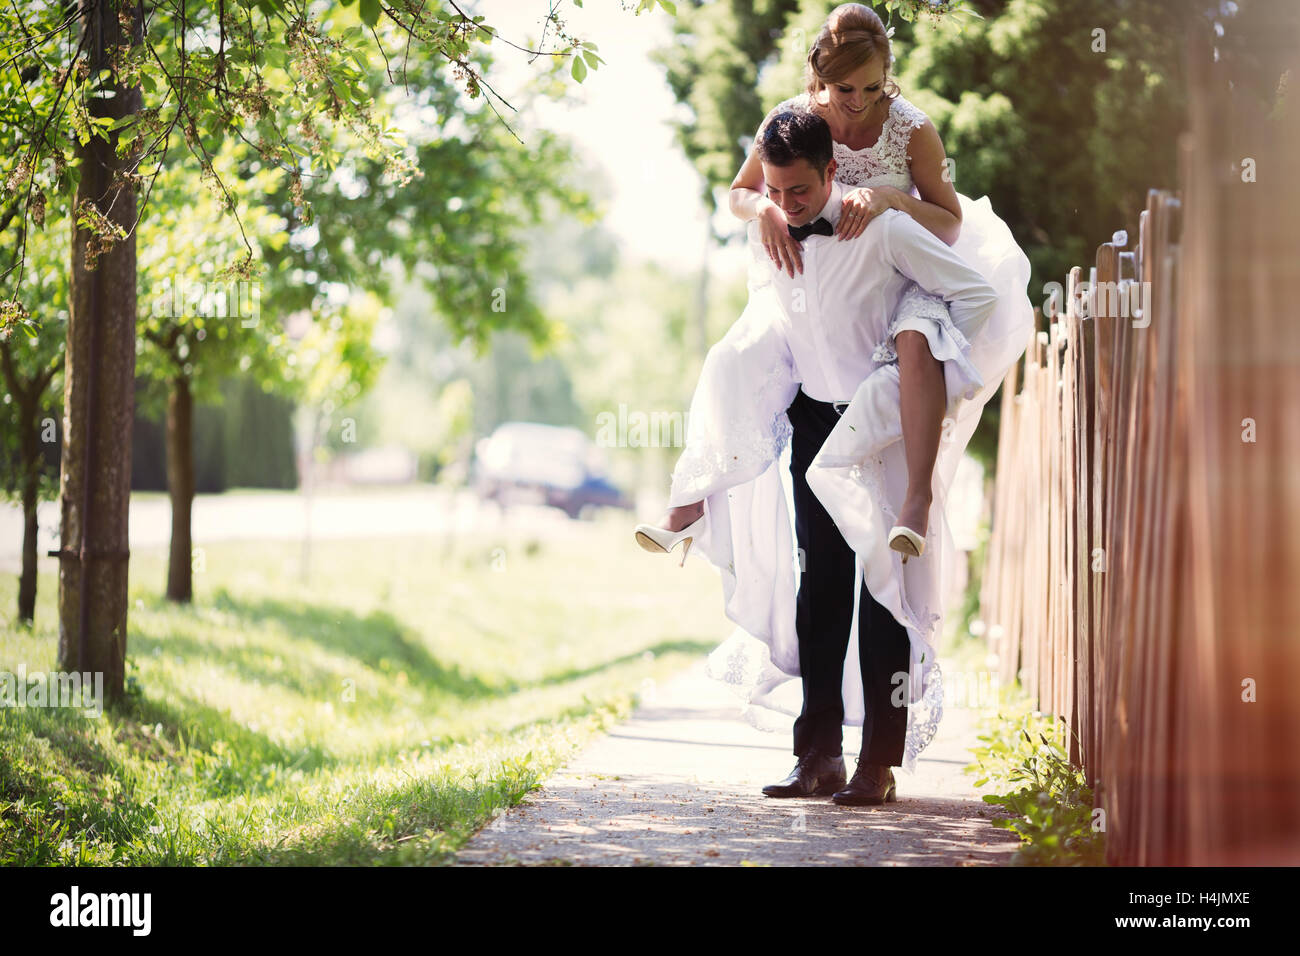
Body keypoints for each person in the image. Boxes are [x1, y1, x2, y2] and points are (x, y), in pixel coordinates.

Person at [635, 4, 1034, 783]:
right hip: (816, 350)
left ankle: (878, 761)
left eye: (871, 89)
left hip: (891, 327)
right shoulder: (789, 125)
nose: (857, 106)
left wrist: (884, 200)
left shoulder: (910, 130)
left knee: (883, 567)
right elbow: (741, 193)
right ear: (815, 82)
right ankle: (813, 751)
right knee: (821, 569)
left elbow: (947, 227)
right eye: (842, 91)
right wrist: (770, 217)